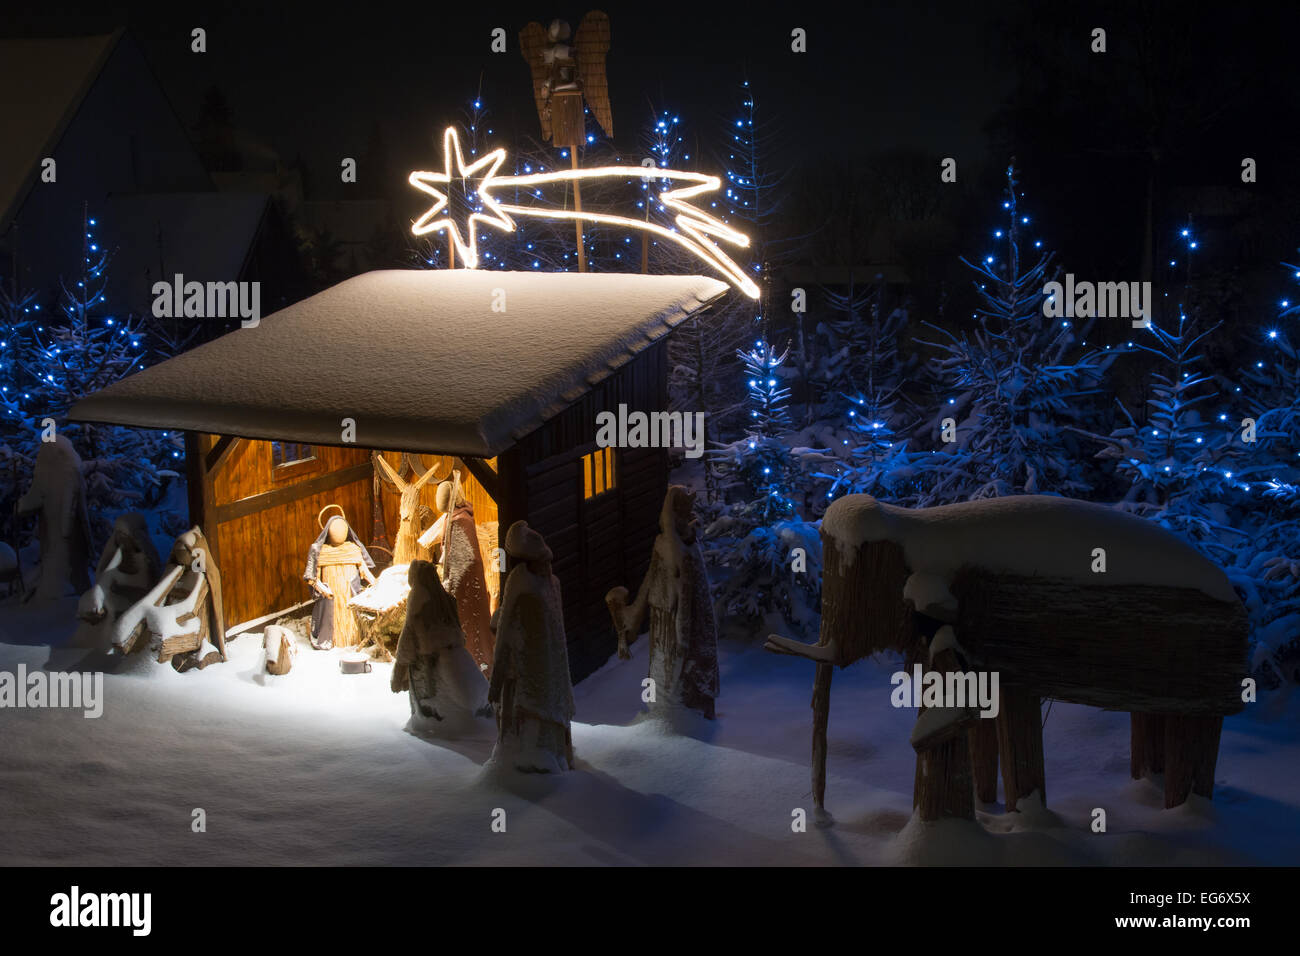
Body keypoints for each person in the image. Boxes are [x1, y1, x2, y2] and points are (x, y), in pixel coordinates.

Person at [488, 521, 575, 772]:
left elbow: (505, 632)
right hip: (549, 670)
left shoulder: (521, 582)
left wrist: (495, 684)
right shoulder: (550, 582)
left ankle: (530, 767)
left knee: (529, 724)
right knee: (545, 715)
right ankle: (554, 756)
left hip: (523, 668)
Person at [304, 510, 376, 650]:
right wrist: (323, 589)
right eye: (335, 531)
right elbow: (313, 578)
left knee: (353, 619)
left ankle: (354, 637)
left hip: (350, 595)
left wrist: (377, 584)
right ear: (328, 532)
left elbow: (365, 572)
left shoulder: (353, 549)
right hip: (331, 598)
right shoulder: (320, 552)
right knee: (332, 618)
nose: (340, 533)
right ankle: (333, 638)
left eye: (342, 530)